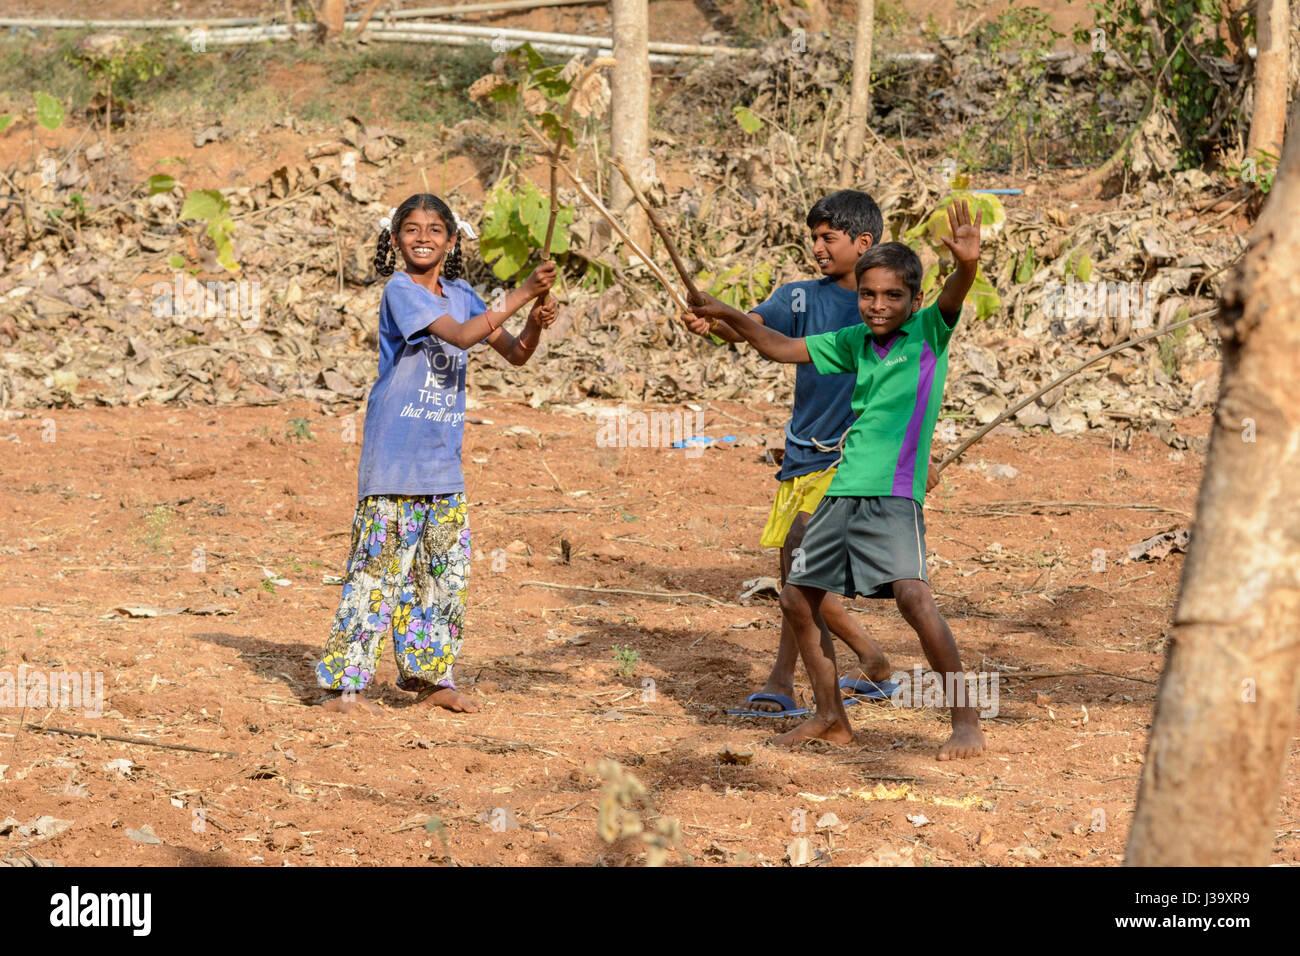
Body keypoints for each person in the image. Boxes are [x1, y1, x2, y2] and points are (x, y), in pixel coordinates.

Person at [703, 200, 986, 760]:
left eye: (892, 296)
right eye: (868, 295)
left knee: (913, 599)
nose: (878, 306)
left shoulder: (930, 332)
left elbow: (956, 291)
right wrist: (727, 314)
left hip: (894, 492)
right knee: (796, 599)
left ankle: (967, 720)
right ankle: (831, 718)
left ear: (916, 300)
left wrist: (968, 266)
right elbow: (780, 347)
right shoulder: (854, 340)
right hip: (842, 487)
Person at [316, 193, 557, 715]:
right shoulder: (401, 291)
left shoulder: (463, 291)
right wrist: (523, 291)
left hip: (441, 463)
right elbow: (463, 335)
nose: (422, 237)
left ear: (452, 241)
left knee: (441, 574)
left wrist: (536, 317)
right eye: (410, 229)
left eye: (434, 230)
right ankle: (344, 687)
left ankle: (432, 679)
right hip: (395, 460)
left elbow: (515, 354)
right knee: (375, 573)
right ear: (395, 240)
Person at [684, 191, 898, 717]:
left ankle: (865, 665)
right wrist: (716, 324)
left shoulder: (885, 306)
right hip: (802, 455)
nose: (818, 247)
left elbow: (908, 386)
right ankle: (807, 678)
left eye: (829, 238)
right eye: (814, 237)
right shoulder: (799, 298)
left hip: (849, 459)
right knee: (793, 579)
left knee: (802, 562)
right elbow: (753, 328)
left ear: (863, 242)